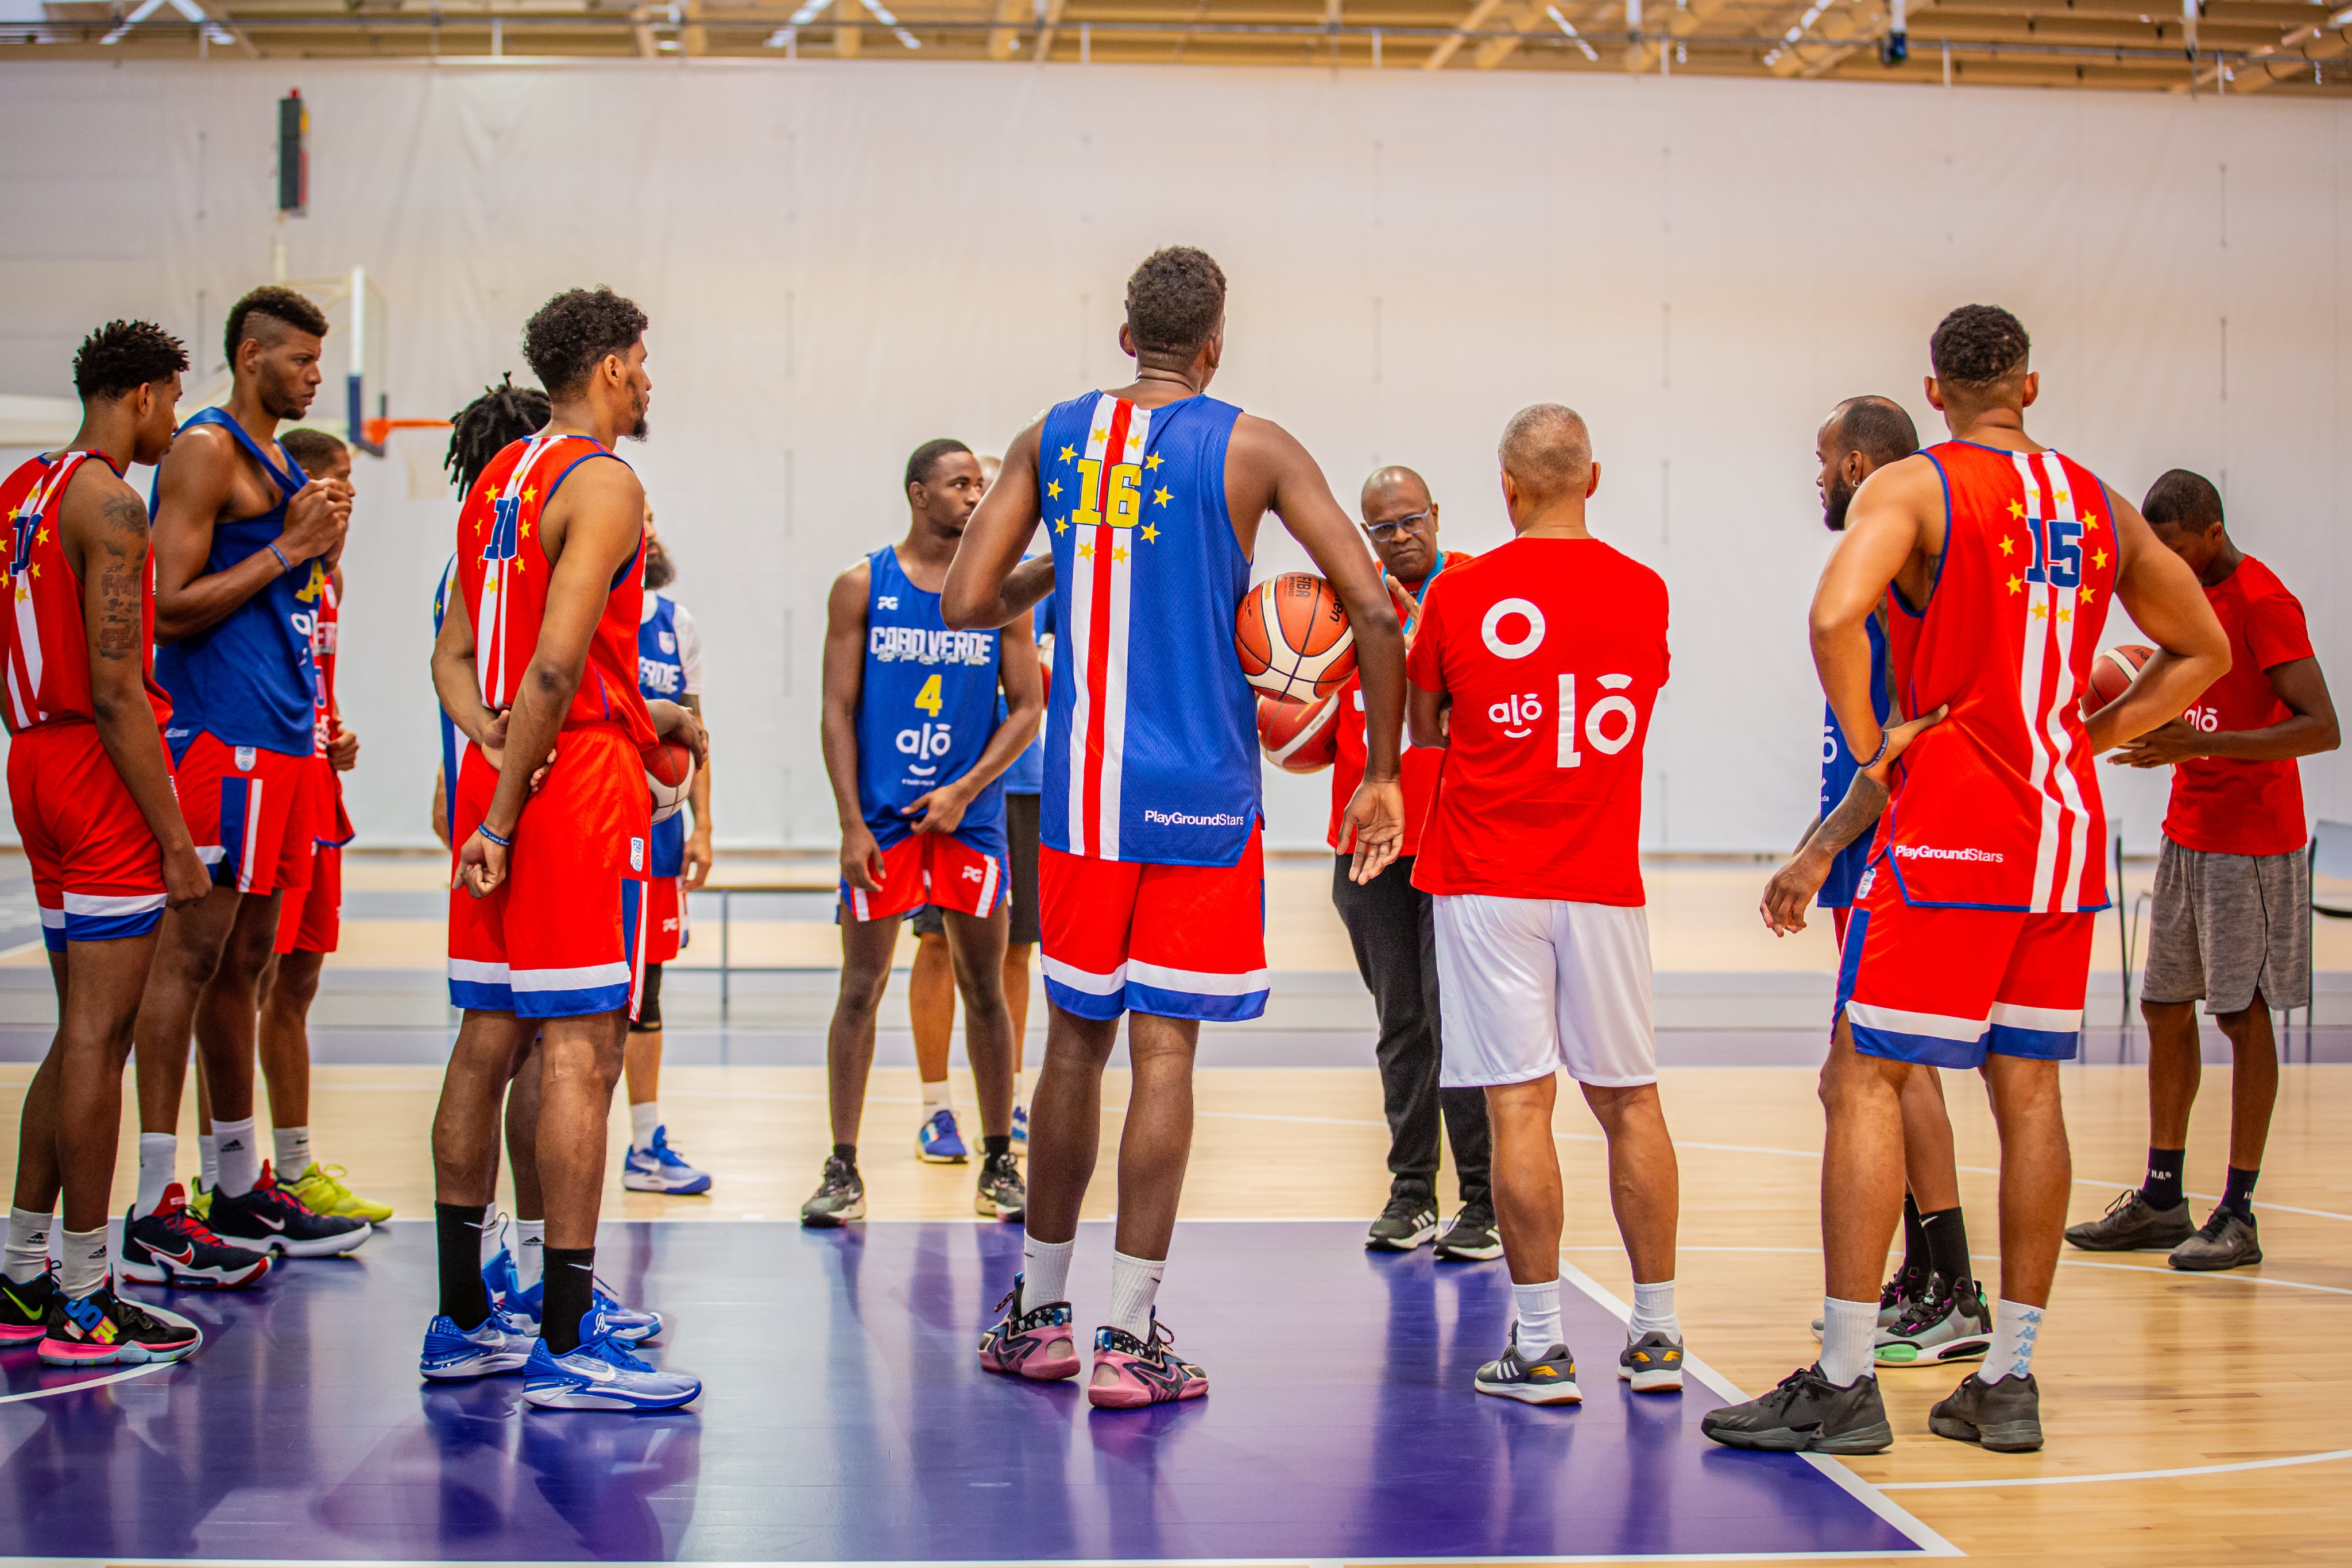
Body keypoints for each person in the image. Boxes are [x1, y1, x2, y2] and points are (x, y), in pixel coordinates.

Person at [1703, 305, 2229, 1458]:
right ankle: (2006, 1378)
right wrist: (2088, 738)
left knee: (1863, 1079)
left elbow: (1832, 612)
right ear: (2028, 389)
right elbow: (2203, 653)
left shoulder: (1921, 488)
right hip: (2062, 833)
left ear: (1932, 392)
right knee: (2027, 1092)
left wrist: (1871, 732)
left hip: (1952, 831)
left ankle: (1842, 1381)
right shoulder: (2095, 501)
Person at [946, 246, 1408, 1409]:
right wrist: (1381, 773)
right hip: (1201, 790)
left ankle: (1038, 1317)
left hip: (1084, 795)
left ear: (1122, 339)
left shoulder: (1050, 436)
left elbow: (963, 599)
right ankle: (1128, 1338)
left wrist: (1069, 563)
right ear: (1213, 347)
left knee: (1071, 1045)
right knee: (1165, 1052)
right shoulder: (1251, 443)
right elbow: (1367, 601)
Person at [423, 287, 705, 1411]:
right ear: (608, 368)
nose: (648, 381)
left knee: (486, 1039)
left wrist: (490, 756)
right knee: (582, 1053)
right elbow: (555, 664)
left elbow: (455, 658)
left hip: (507, 769)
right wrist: (510, 807)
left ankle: (461, 1321)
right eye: (642, 362)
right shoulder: (604, 482)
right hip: (573, 787)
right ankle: (566, 1339)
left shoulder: (496, 481)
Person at [1399, 406, 1682, 1405]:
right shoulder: (1643, 593)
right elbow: (1637, 693)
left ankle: (1542, 1345)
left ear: (1506, 489)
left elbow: (1425, 719)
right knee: (1630, 1101)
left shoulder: (1460, 592)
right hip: (1601, 879)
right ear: (1592, 479)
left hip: (1487, 878)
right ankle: (1655, 1337)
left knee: (1520, 1102)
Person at [124, 285, 370, 1281]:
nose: (318, 375)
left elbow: (287, 604)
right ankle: (153, 1205)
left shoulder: (272, 459)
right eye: (304, 360)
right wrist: (289, 547)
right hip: (216, 743)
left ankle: (236, 1182)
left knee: (249, 965)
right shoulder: (206, 449)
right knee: (185, 965)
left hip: (278, 747)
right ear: (252, 352)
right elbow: (167, 604)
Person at [1760, 397, 1988, 1370]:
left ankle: (1953, 1287)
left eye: (1823, 460)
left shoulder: (1894, 576)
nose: (1816, 477)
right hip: (1874, 859)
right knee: (1887, 1076)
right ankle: (1927, 1276)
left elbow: (1894, 748)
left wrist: (1817, 849)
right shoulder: (1891, 566)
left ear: (1858, 462)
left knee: (1878, 1076)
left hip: (1899, 855)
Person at [0, 320, 213, 1361]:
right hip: (96, 767)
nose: (176, 423)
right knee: (102, 1037)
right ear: (137, 396)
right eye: (173, 402)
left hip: (30, 759)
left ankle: (21, 1271)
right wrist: (175, 839)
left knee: (72, 1028)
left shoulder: (23, 488)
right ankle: (87, 1298)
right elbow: (121, 685)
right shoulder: (114, 502)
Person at [2065, 470, 2339, 1271]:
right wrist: (2151, 739)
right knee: (2161, 1006)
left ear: (2212, 532)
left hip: (2255, 842)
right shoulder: (2184, 601)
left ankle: (2239, 1209)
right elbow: (2179, 702)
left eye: (2181, 550)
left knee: (2242, 1016)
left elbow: (2321, 727)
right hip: (2189, 828)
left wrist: (2202, 744)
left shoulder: (2264, 602)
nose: (2171, 566)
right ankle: (2161, 1195)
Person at [803, 439, 1039, 1226]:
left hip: (968, 824)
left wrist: (967, 787)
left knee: (986, 988)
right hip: (884, 824)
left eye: (983, 482)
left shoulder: (1002, 591)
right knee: (860, 989)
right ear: (918, 493)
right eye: (960, 483)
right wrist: (848, 822)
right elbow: (837, 709)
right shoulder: (863, 585)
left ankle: (1000, 1159)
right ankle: (842, 1168)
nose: (977, 494)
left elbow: (1028, 709)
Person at [188, 427, 389, 1229]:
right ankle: (219, 1174)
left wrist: (331, 729)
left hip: (309, 783)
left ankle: (294, 1167)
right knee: (236, 973)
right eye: (332, 487)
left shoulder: (325, 584)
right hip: (243, 770)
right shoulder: (254, 570)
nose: (345, 505)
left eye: (351, 491)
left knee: (295, 978)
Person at [1340, 465, 1495, 1261]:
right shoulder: (1338, 604)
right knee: (1400, 1022)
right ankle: (1411, 1192)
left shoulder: (1472, 588)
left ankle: (1484, 1197)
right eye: (1382, 528)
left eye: (1409, 521)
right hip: (1366, 841)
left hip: (1450, 836)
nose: (1399, 537)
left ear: (1435, 513)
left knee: (1455, 1018)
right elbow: (1310, 714)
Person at [906, 455, 1049, 1160]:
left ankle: (1008, 1097)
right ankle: (936, 1107)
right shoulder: (943, 587)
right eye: (975, 489)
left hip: (1033, 788)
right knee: (936, 946)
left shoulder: (1050, 587)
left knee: (1015, 952)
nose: (987, 502)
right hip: (951, 792)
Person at [621, 509, 716, 1195]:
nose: (646, 526)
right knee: (581, 996)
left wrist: (703, 825)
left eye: (652, 517)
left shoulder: (673, 621)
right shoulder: (576, 602)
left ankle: (644, 1141)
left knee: (647, 990)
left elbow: (695, 733)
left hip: (659, 832)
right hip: (589, 825)